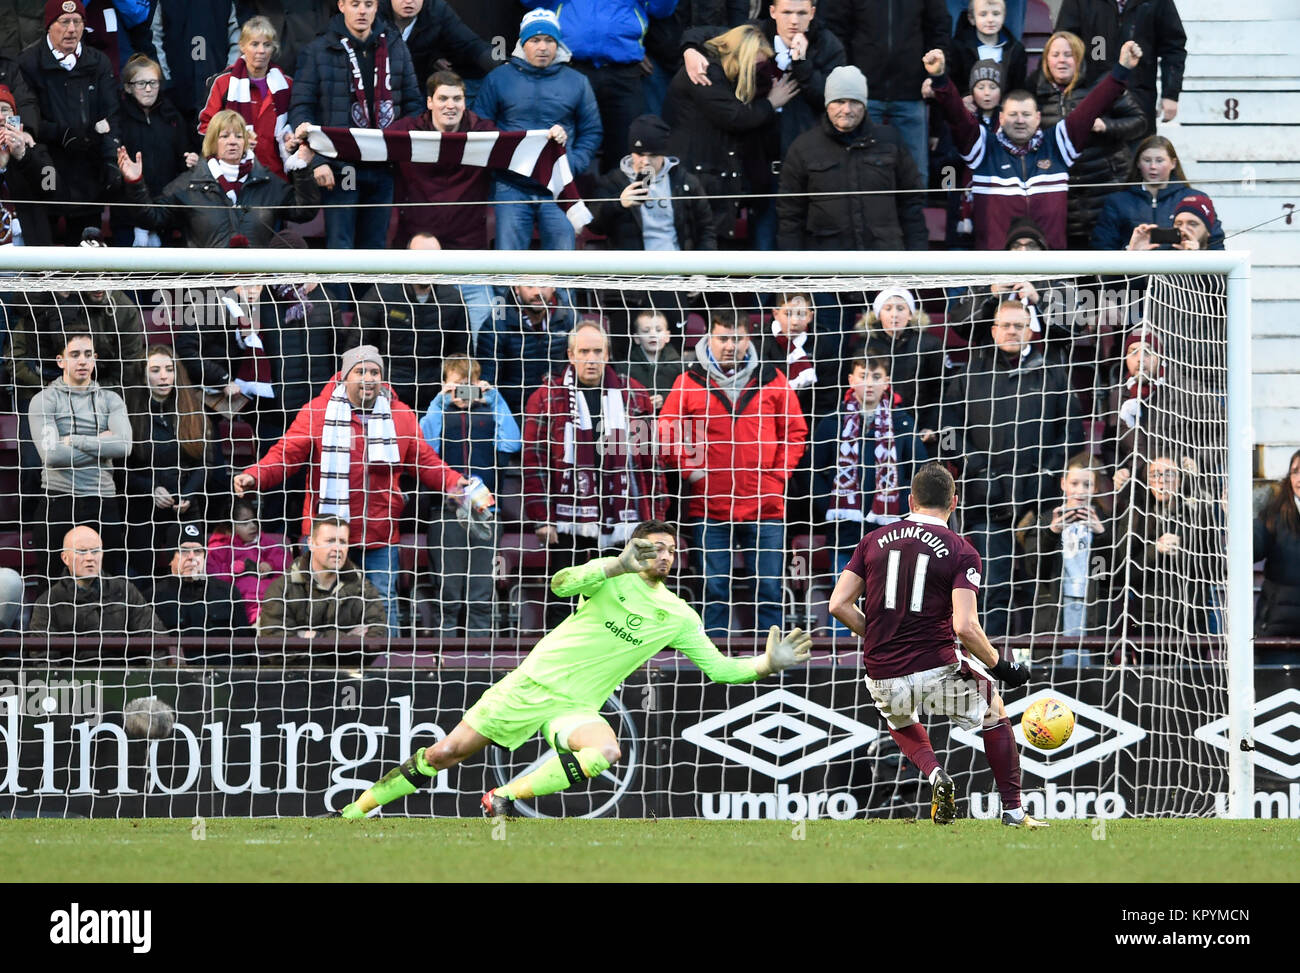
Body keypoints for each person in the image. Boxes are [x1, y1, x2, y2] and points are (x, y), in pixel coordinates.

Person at [338, 521, 813, 819]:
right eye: (654, 548)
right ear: (634, 549)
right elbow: (560, 584)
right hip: (528, 686)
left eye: (670, 550)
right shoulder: (610, 576)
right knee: (444, 753)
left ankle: (501, 796)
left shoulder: (679, 614)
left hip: (575, 706)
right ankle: (355, 813)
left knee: (606, 749)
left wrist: (767, 663)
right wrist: (613, 566)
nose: (663, 556)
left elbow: (720, 670)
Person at [827, 462, 1039, 827]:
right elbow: (965, 626)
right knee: (994, 712)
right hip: (936, 668)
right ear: (954, 503)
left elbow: (837, 605)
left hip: (883, 672)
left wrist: (877, 633)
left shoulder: (872, 541)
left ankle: (934, 772)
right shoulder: (962, 550)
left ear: (910, 500)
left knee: (900, 718)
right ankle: (1014, 811)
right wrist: (1002, 666)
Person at [233, 345, 482, 635]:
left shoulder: (400, 415)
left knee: (382, 605)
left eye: (375, 372)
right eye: (361, 371)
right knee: (318, 606)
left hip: (380, 535)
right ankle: (322, 672)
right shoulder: (316, 412)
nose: (369, 378)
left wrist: (453, 481)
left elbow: (424, 459)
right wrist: (254, 475)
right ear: (344, 376)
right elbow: (284, 456)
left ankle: (387, 672)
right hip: (327, 534)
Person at [658, 310, 807, 636]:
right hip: (709, 508)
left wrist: (776, 476)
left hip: (765, 505)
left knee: (769, 590)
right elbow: (666, 432)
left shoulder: (773, 379)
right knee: (713, 592)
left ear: (748, 340)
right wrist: (692, 472)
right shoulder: (688, 381)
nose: (729, 345)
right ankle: (713, 671)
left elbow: (795, 433)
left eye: (736, 338)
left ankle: (771, 666)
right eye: (723, 338)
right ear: (709, 338)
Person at [936, 298, 1078, 638]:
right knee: (994, 586)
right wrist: (979, 470)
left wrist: (1046, 475)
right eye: (1006, 325)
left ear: (1030, 330)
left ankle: (1037, 665)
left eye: (1019, 325)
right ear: (993, 329)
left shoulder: (1053, 372)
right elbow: (949, 433)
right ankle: (989, 661)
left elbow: (1071, 432)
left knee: (1039, 586)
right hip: (988, 500)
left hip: (1040, 503)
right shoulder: (970, 374)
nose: (1012, 331)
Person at [921, 40, 1145, 251]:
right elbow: (958, 117)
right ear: (1001, 118)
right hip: (996, 272)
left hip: (1049, 271)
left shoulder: (1056, 145)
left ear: (1038, 118)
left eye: (1026, 114)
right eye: (1013, 115)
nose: (1019, 120)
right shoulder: (982, 149)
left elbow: (1090, 108)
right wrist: (940, 78)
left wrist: (1121, 70)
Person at [522, 321, 666, 628]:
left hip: (622, 519)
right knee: (565, 595)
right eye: (584, 351)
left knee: (617, 598)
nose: (591, 358)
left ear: (608, 354)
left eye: (597, 351)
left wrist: (654, 518)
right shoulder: (547, 397)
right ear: (570, 355)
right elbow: (533, 461)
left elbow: (649, 460)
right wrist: (542, 516)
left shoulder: (633, 395)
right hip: (566, 520)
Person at [288, 0, 421, 292]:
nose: (362, 11)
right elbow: (301, 111)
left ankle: (368, 321)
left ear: (377, 8)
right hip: (339, 167)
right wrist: (318, 161)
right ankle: (340, 324)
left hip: (383, 165)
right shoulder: (318, 49)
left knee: (374, 248)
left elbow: (413, 105)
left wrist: (396, 145)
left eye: (369, 4)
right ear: (341, 6)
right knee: (341, 247)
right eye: (355, 3)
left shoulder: (396, 46)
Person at [814, 356, 927, 636]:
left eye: (876, 376)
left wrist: (904, 511)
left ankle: (889, 653)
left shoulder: (902, 423)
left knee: (890, 599)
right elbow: (814, 470)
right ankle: (838, 661)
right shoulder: (832, 423)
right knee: (842, 598)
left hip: (891, 531)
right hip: (844, 530)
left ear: (887, 382)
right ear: (851, 380)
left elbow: (918, 471)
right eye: (863, 375)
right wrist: (826, 506)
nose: (870, 382)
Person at [473, 8, 601, 250]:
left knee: (564, 264)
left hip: (559, 184)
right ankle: (510, 291)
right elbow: (481, 125)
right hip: (511, 184)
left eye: (549, 40)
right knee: (508, 262)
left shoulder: (577, 82)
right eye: (535, 40)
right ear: (523, 43)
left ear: (558, 44)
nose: (543, 47)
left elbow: (592, 131)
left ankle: (563, 292)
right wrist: (502, 159)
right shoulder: (498, 78)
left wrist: (573, 163)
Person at [664, 23, 797, 247]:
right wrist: (770, 103)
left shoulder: (718, 68)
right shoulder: (704, 72)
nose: (756, 71)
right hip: (696, 169)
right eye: (755, 65)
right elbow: (734, 117)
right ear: (741, 56)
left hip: (708, 167)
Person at [420, 354, 521, 637]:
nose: (463, 392)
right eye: (456, 385)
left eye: (469, 384)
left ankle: (480, 664)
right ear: (444, 384)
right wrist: (440, 402)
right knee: (448, 596)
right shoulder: (440, 412)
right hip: (446, 512)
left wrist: (496, 400)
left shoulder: (490, 411)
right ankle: (441, 667)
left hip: (487, 512)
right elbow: (423, 448)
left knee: (481, 595)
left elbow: (512, 444)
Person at [777, 64, 927, 252]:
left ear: (864, 105)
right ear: (827, 104)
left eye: (854, 102)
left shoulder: (890, 141)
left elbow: (911, 205)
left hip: (884, 262)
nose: (847, 110)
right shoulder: (803, 147)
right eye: (839, 101)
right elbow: (790, 216)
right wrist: (793, 271)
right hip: (825, 267)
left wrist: (917, 260)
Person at [117, 109, 319, 248]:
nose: (233, 142)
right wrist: (135, 183)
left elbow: (304, 211)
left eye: (239, 137)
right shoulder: (189, 184)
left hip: (256, 293)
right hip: (208, 295)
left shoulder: (266, 181)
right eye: (224, 136)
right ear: (213, 141)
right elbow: (151, 217)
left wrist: (301, 168)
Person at [28, 327, 132, 582]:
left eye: (88, 354)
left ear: (95, 358)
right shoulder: (44, 400)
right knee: (54, 585)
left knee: (109, 584)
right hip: (59, 499)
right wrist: (103, 443)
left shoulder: (111, 399)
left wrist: (75, 440)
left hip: (104, 500)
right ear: (61, 360)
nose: (83, 360)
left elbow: (125, 447)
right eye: (75, 354)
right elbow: (52, 455)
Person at [680, 0, 847, 157]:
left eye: (801, 13)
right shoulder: (754, 32)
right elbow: (704, 34)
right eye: (787, 12)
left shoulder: (828, 45)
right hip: (754, 145)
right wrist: (690, 50)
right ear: (773, 12)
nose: (794, 21)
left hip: (805, 146)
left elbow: (828, 100)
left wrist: (801, 62)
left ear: (812, 13)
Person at [524, 0, 677, 172]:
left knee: (624, 149)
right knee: (564, 141)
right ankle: (565, 197)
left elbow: (662, 9)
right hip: (571, 68)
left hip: (623, 71)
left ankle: (620, 198)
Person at [18, 0, 121, 244]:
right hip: (44, 170)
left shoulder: (98, 62)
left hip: (88, 174)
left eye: (78, 22)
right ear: (49, 26)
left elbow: (111, 116)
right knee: (45, 265)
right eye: (64, 22)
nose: (72, 29)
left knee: (87, 261)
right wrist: (61, 133)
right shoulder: (28, 63)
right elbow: (27, 119)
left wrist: (110, 161)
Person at [1034, 30, 1147, 250]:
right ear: (1046, 59)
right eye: (1055, 54)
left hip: (1105, 191)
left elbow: (1140, 122)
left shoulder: (1100, 87)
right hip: (1065, 200)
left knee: (1109, 261)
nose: (1061, 60)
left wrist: (1107, 126)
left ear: (1079, 58)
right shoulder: (1034, 94)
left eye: (1068, 54)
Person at [818, 0, 951, 178]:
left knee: (915, 176)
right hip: (862, 95)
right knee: (857, 173)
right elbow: (836, 29)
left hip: (911, 94)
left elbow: (939, 28)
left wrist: (932, 75)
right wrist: (848, 78)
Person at [123, 344, 220, 578]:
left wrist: (187, 493)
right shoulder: (127, 412)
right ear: (143, 374)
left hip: (186, 507)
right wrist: (151, 490)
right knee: (145, 575)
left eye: (169, 369)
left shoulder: (192, 409)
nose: (164, 376)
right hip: (143, 509)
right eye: (155, 370)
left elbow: (206, 462)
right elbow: (119, 469)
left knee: (191, 573)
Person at [356, 232, 470, 413]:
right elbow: (357, 350)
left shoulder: (453, 300)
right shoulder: (380, 296)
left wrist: (461, 396)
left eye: (433, 259)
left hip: (437, 401)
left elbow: (462, 356)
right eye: (419, 258)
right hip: (385, 400)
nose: (426, 266)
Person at [1016, 455, 1111, 664]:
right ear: (1063, 484)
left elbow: (1110, 576)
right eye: (1074, 483)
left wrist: (1103, 536)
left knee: (1088, 675)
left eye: (1087, 484)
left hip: (1092, 609)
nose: (1080, 490)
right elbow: (1034, 569)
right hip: (1055, 609)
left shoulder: (1106, 522)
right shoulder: (1045, 520)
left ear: (1095, 488)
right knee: (1058, 675)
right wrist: (1051, 533)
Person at [257, 516, 390, 659]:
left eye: (343, 542)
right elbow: (278, 650)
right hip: (296, 678)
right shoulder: (282, 589)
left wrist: (310, 636)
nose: (337, 548)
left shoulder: (363, 588)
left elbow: (374, 644)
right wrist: (346, 640)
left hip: (349, 677)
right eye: (330, 541)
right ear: (311, 543)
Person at [1054, 0, 1185, 138]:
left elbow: (1173, 47)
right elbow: (1064, 41)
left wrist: (1170, 94)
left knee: (1137, 153)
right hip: (1091, 96)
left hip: (1138, 97)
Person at [589, 114, 717, 253]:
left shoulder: (685, 181)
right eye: (640, 154)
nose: (646, 161)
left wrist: (699, 272)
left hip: (677, 270)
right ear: (631, 152)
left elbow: (706, 230)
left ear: (663, 154)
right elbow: (593, 225)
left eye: (653, 155)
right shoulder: (612, 182)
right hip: (632, 271)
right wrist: (618, 203)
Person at [112, 54, 198, 246]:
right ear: (128, 87)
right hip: (128, 215)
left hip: (166, 212)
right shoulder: (118, 118)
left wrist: (190, 160)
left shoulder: (172, 116)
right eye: (141, 83)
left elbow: (183, 156)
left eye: (154, 82)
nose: (149, 89)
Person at [28, 524, 163, 646]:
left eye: (95, 551)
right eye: (81, 552)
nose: (90, 558)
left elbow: (156, 635)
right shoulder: (48, 602)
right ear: (65, 558)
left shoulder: (125, 591)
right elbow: (43, 658)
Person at [198, 16, 294, 180]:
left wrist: (290, 138)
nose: (261, 51)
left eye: (267, 44)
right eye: (254, 44)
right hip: (232, 174)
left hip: (277, 175)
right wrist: (235, 139)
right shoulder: (222, 82)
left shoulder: (286, 85)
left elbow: (295, 125)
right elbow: (205, 129)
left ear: (274, 48)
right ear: (242, 46)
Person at [1091, 136, 1224, 251]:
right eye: (1147, 160)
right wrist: (1130, 251)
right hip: (1134, 276)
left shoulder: (1196, 199)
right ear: (1138, 163)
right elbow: (1102, 248)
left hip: (1181, 277)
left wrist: (1197, 253)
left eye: (1159, 160)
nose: (1153, 166)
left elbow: (1216, 245)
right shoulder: (1117, 202)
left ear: (1173, 163)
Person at [845, 286, 945, 439]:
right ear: (878, 314)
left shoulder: (929, 345)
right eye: (888, 308)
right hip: (875, 426)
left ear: (911, 314)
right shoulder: (864, 346)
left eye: (900, 308)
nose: (894, 314)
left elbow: (940, 389)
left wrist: (931, 426)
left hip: (918, 426)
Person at [140, 523, 254, 652]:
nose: (192, 557)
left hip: (222, 670)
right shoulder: (154, 597)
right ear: (170, 557)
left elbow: (244, 646)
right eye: (184, 551)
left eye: (198, 551)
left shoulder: (227, 593)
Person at [475, 283, 576, 417]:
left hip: (560, 411)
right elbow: (488, 383)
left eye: (543, 285)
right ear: (517, 289)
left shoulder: (569, 318)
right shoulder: (496, 324)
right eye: (530, 286)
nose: (537, 292)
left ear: (554, 287)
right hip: (511, 413)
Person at [206, 497, 289, 626]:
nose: (252, 526)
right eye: (245, 523)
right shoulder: (219, 548)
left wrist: (271, 564)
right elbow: (212, 577)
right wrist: (230, 570)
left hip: (277, 602)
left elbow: (285, 560)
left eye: (253, 521)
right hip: (247, 609)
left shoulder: (262, 541)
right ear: (229, 527)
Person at [379, 0, 497, 88]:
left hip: (417, 86)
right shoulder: (373, 11)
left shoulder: (436, 10)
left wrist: (504, 64)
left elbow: (471, 44)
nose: (409, 1)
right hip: (377, 86)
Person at [0, 82, 57, 246]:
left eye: (5, 110)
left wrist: (23, 156)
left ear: (15, 115)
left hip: (30, 248)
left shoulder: (35, 149)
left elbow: (53, 188)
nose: (1, 117)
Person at [1254, 449, 1300, 646]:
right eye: (1296, 471)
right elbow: (1253, 548)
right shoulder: (1273, 515)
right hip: (1278, 628)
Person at [947, 0, 1025, 96]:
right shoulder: (959, 47)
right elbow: (955, 81)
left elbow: (1017, 87)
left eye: (996, 14)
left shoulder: (1015, 49)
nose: (990, 20)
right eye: (983, 14)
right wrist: (963, 97)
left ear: (1004, 17)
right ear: (972, 19)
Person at [620, 309, 683, 411]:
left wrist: (665, 398)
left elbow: (685, 395)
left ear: (667, 336)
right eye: (646, 331)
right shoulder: (625, 367)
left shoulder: (678, 366)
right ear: (636, 338)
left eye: (658, 330)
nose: (653, 335)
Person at [1124, 192, 1221, 252]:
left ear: (1208, 231)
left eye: (1192, 224)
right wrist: (1133, 255)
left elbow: (1216, 284)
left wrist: (1196, 259)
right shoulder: (1162, 257)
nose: (1183, 229)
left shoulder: (1222, 261)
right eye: (1178, 223)